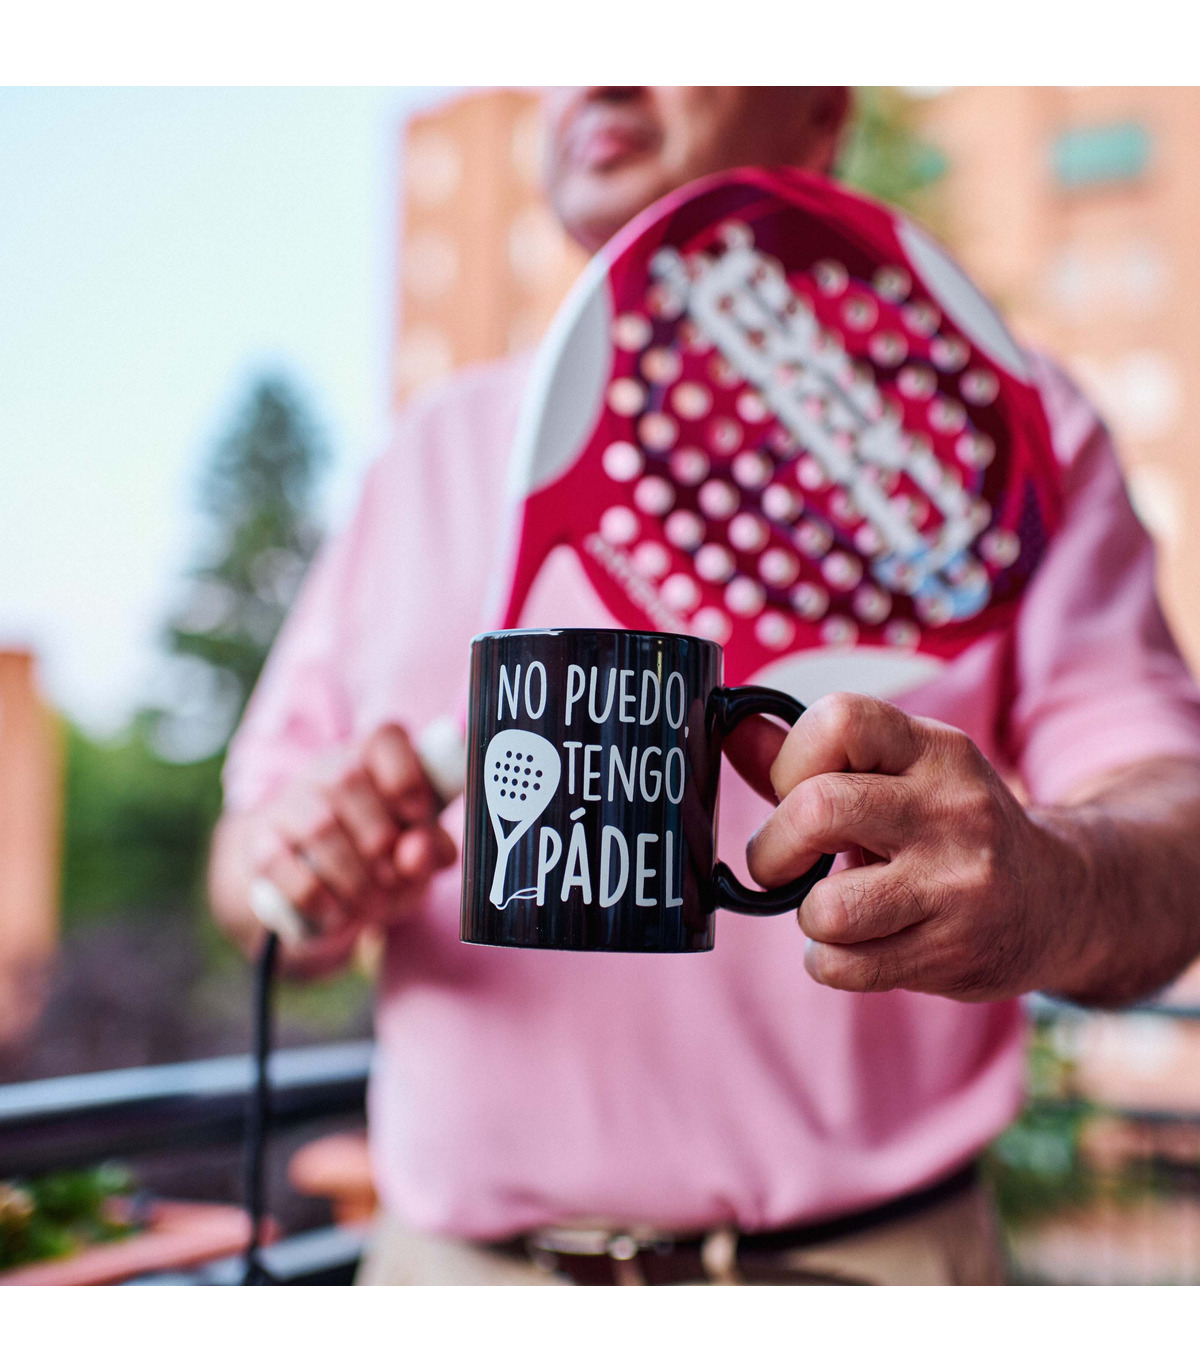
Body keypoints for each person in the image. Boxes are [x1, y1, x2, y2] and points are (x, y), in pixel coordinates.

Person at [208, 87, 1200, 1285]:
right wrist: (301, 867)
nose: (602, 75)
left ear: (818, 120)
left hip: (864, 1281)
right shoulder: (426, 450)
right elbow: (249, 866)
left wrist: (1051, 881)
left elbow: (1172, 830)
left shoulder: (1008, 449)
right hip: (442, 1279)